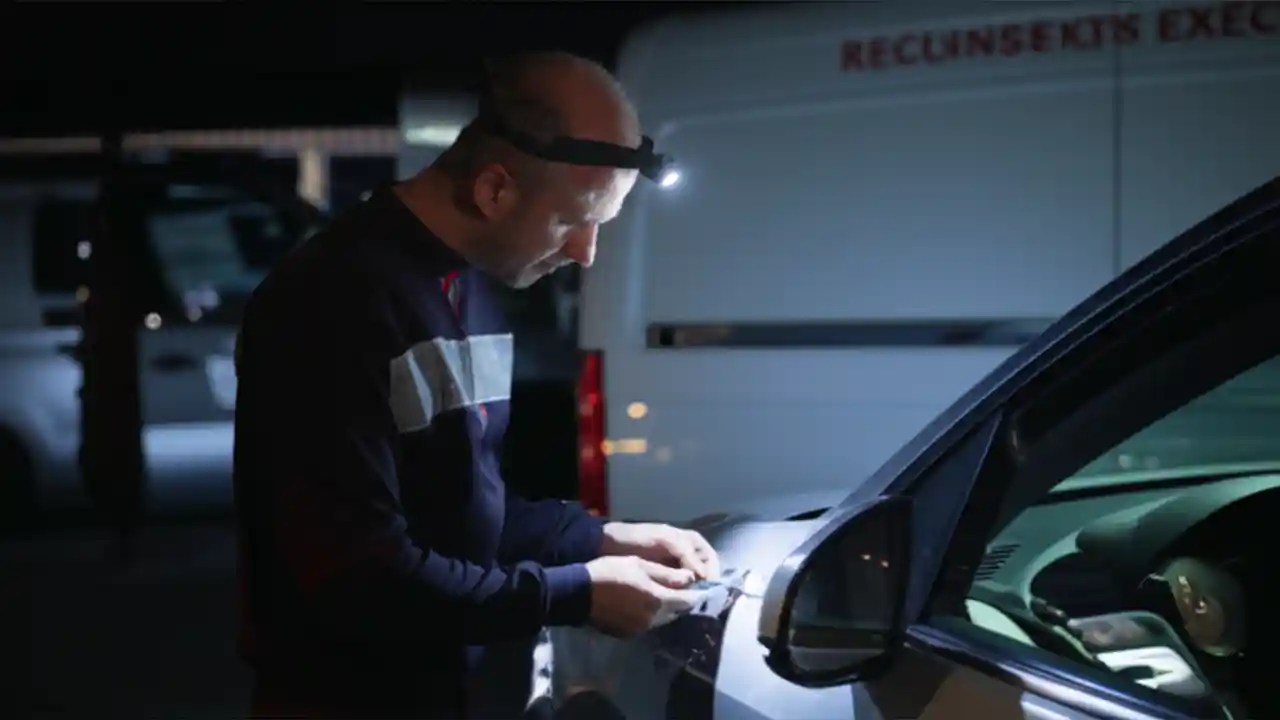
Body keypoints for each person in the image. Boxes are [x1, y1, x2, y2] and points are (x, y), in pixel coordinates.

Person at [231, 51, 721, 719]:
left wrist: (601, 539)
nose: (585, 253)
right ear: (494, 190)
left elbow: (459, 503)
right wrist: (575, 593)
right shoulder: (333, 300)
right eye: (574, 221)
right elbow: (356, 574)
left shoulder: (472, 288)